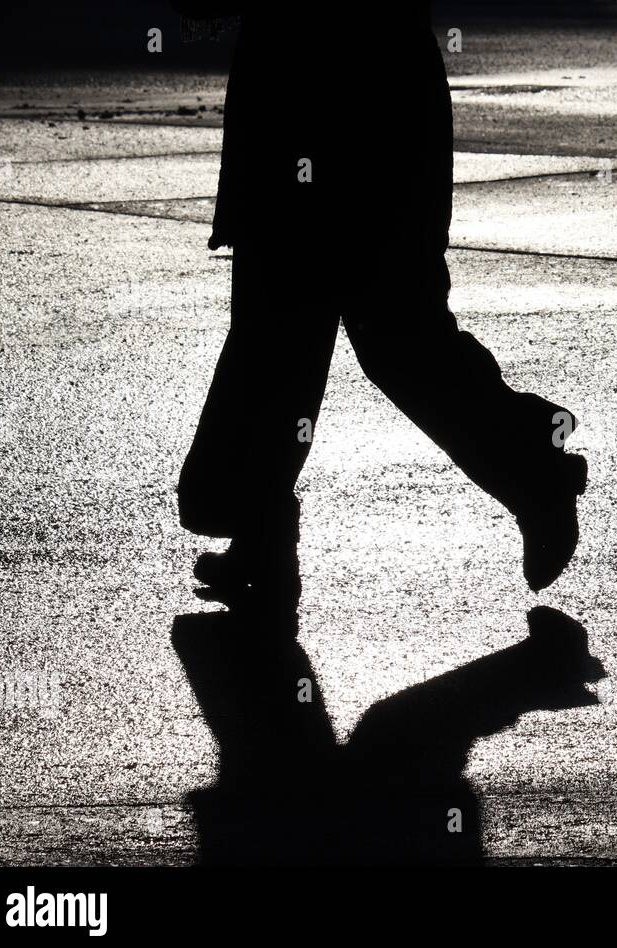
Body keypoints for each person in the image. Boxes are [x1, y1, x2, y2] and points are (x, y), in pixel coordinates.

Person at [171, 4, 586, 609]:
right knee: (308, 329)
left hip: (344, 95)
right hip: (335, 87)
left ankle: (533, 470)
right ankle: (259, 529)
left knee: (366, 329)